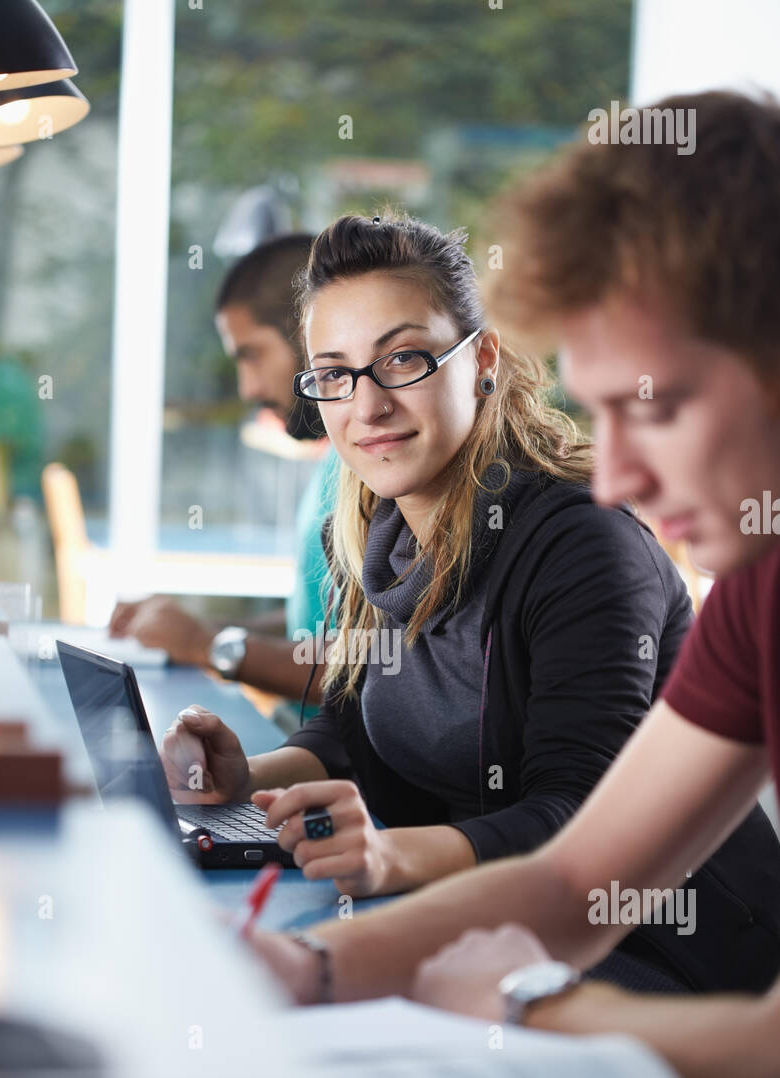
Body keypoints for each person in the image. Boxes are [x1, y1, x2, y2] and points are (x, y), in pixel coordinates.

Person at [242, 92, 780, 1078]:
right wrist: (306, 973)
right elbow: (575, 876)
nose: (616, 471)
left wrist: (529, 1008)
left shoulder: (584, 540)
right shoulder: (757, 590)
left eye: (655, 405)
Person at [161, 209, 780, 996]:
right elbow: (354, 730)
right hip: (498, 919)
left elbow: (577, 821)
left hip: (655, 953)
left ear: (480, 359)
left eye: (405, 360)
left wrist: (394, 861)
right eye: (335, 374)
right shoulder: (368, 534)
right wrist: (243, 780)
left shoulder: (582, 545)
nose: (367, 405)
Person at [109, 234, 339, 711]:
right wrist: (193, 629)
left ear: (308, 333)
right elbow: (317, 623)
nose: (248, 387)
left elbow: (369, 668)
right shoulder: (335, 461)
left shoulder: (380, 473)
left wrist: (206, 646)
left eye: (252, 354)